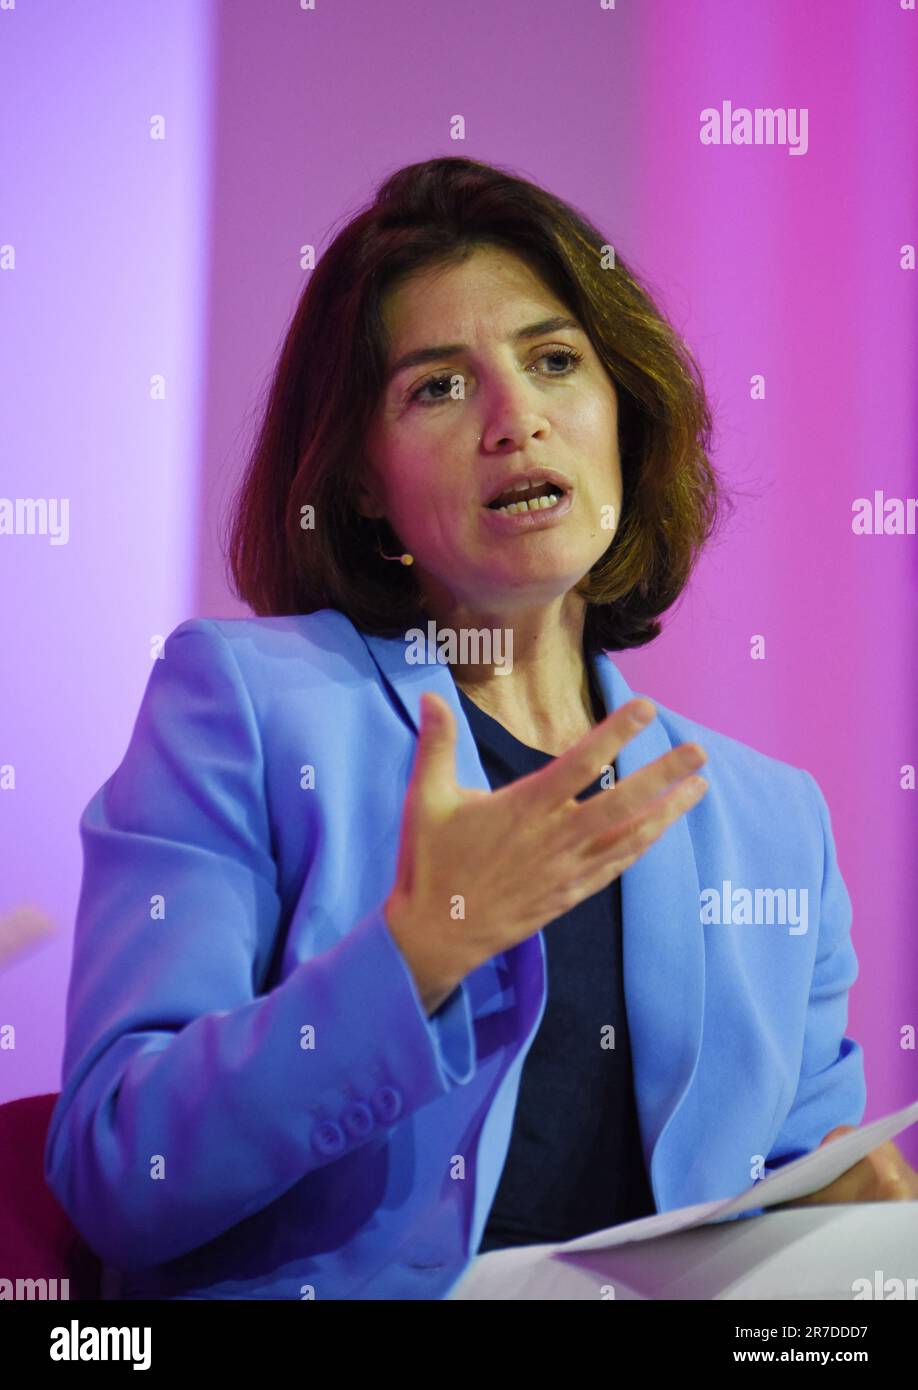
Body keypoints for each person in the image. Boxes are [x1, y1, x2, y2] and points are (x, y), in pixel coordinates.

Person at [44, 156, 918, 1302]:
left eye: (555, 361)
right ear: (363, 482)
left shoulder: (769, 822)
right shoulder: (247, 708)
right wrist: (418, 955)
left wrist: (866, 1239)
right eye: (439, 388)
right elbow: (120, 1166)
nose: (516, 419)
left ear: (622, 416)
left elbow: (803, 1185)